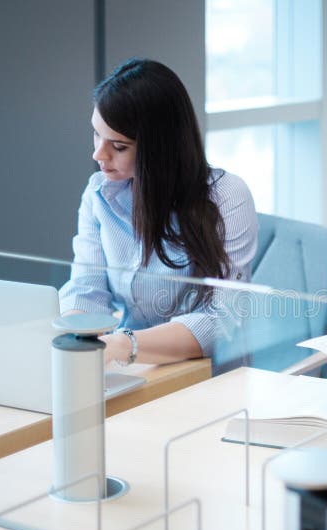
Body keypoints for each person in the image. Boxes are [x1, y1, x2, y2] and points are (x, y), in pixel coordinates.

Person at [59, 58, 258, 366]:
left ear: (159, 149)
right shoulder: (99, 194)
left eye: (119, 146)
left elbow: (222, 319)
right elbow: (86, 290)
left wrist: (124, 345)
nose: (98, 153)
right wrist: (77, 340)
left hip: (206, 375)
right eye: (96, 134)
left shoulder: (227, 197)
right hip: (134, 369)